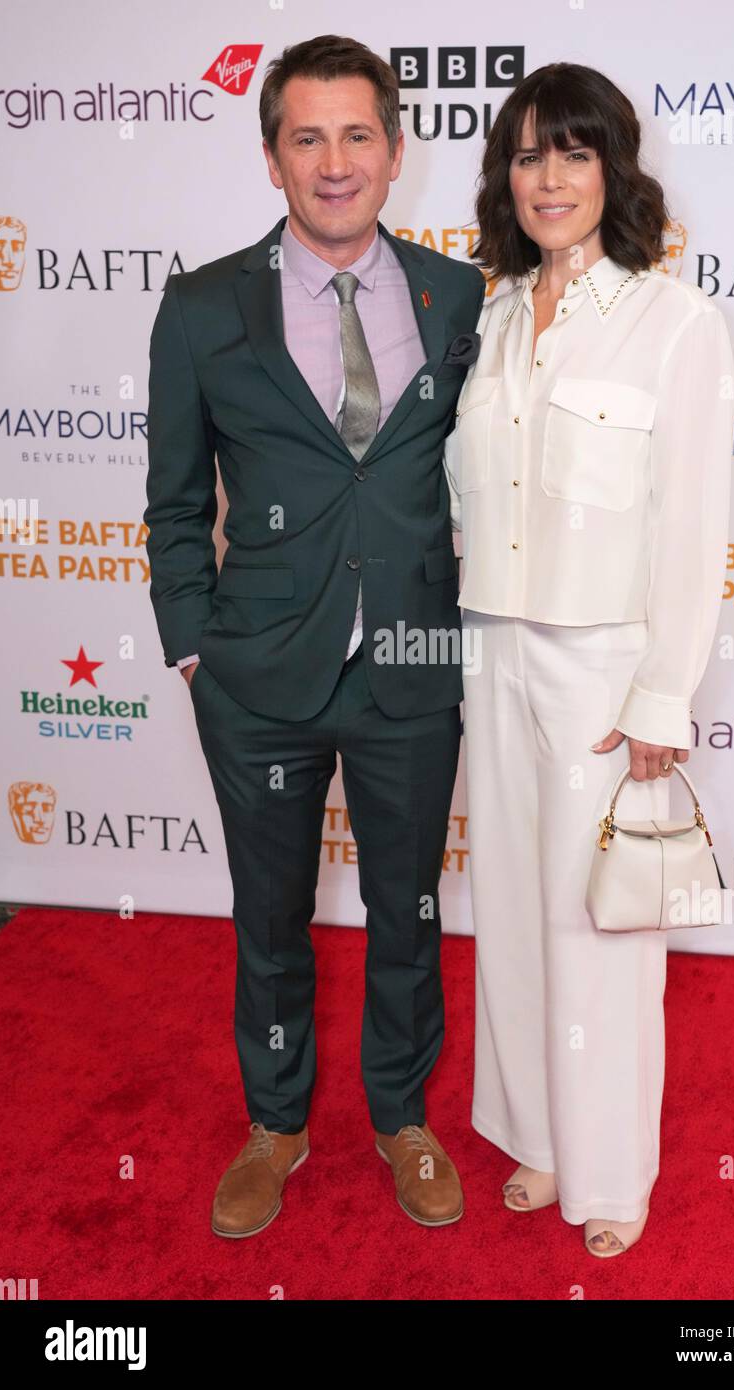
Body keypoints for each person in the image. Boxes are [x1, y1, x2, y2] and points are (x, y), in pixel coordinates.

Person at [144, 34, 485, 1238]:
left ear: (395, 153)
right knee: (269, 915)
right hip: (259, 676)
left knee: (407, 910)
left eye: (356, 136)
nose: (333, 162)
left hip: (412, 661)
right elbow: (175, 503)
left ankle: (400, 1116)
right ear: (272, 159)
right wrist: (197, 648)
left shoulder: (461, 299)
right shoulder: (199, 307)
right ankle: (276, 1123)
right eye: (306, 137)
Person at [443, 62, 734, 1256]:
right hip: (491, 653)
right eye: (523, 155)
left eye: (570, 152)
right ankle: (537, 1134)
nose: (546, 178)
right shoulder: (493, 313)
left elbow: (691, 524)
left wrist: (663, 693)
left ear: (613, 169)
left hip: (602, 677)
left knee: (601, 930)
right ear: (501, 177)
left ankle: (610, 1172)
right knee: (508, 908)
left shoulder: (676, 322)